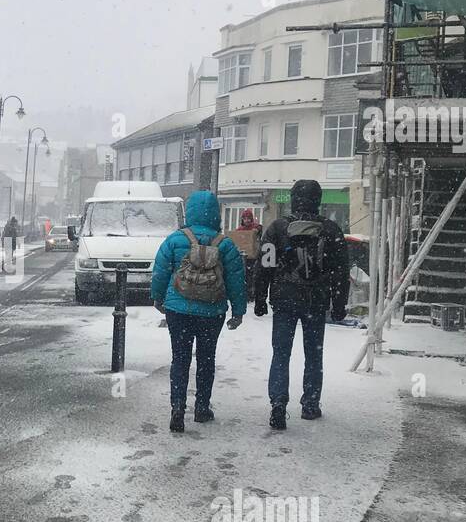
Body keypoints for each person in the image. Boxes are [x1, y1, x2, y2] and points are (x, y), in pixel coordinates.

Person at [252, 179, 350, 430]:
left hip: (285, 298)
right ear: (318, 201)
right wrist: (339, 303)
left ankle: (278, 404)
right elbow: (340, 271)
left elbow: (265, 265)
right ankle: (310, 403)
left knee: (281, 353)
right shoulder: (330, 230)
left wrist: (260, 298)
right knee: (314, 354)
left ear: (294, 199)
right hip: (316, 300)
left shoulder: (277, 228)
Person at [150, 190, 247, 432]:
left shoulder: (175, 240)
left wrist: (158, 298)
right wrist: (238, 310)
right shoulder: (225, 244)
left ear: (190, 211)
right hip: (211, 311)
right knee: (206, 359)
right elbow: (236, 279)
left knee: (180, 359)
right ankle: (202, 407)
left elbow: (161, 272)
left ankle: (177, 408)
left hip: (178, 309)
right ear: (216, 214)